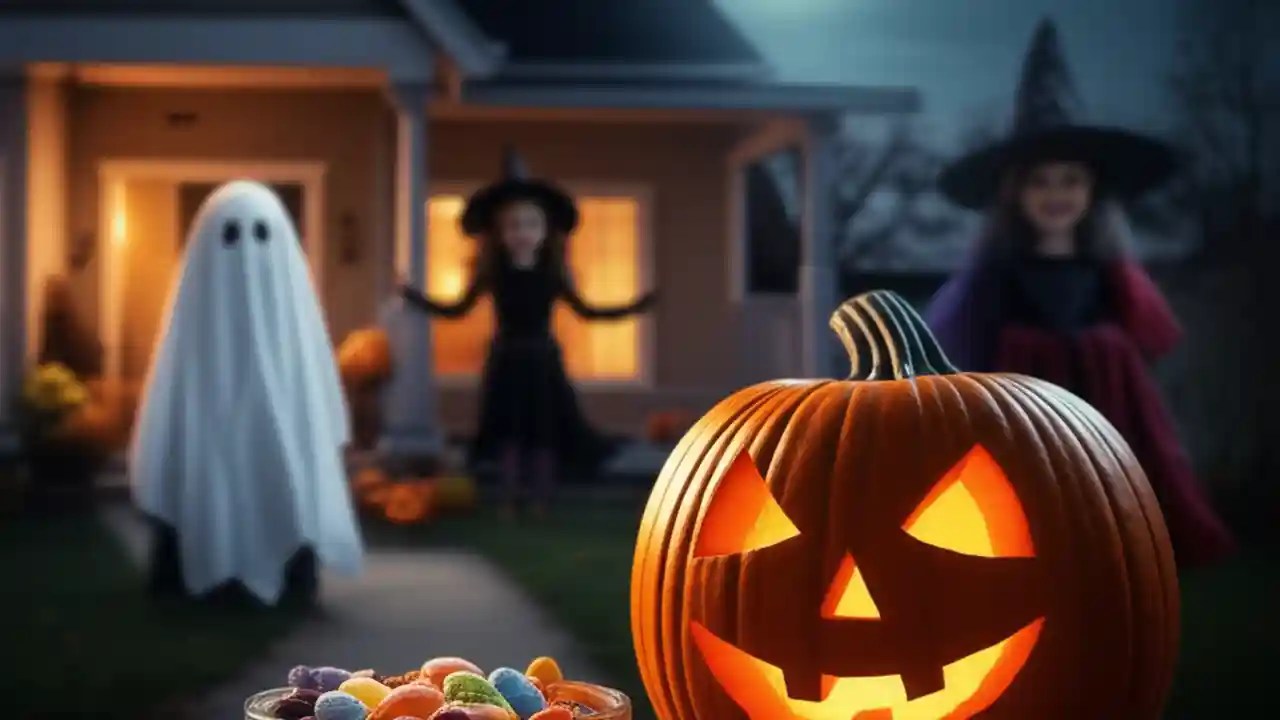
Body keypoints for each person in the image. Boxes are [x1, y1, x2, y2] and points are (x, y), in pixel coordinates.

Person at [926, 19, 1234, 566]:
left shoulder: (1108, 269)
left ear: (1093, 192)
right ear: (1015, 194)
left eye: (1070, 181)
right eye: (1040, 182)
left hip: (1105, 389)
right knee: (1034, 483)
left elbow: (1144, 334)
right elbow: (968, 344)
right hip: (1025, 394)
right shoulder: (996, 273)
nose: (1056, 195)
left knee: (1108, 473)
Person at [130, 180, 363, 606]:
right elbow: (172, 392)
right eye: (230, 237)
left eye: (261, 235)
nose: (247, 254)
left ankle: (289, 578)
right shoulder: (192, 323)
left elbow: (313, 394)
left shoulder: (294, 322)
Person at [401, 149, 656, 519]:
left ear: (544, 231)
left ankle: (541, 498)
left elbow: (588, 311)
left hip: (542, 361)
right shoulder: (493, 273)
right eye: (513, 226)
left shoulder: (552, 274)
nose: (522, 233)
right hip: (506, 358)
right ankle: (509, 497)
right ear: (501, 234)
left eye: (530, 225)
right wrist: (416, 298)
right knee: (509, 433)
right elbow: (457, 309)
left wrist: (634, 308)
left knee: (542, 433)